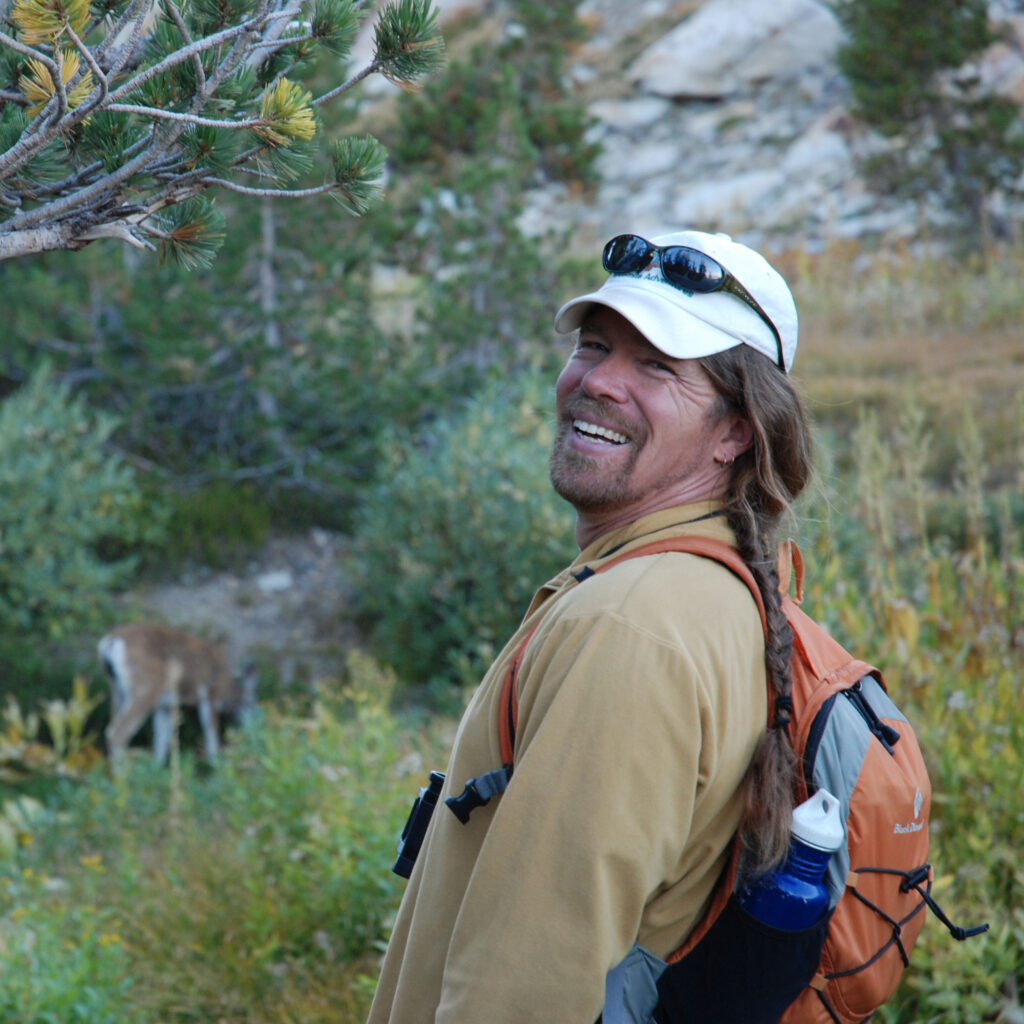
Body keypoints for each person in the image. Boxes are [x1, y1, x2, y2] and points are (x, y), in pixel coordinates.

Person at [366, 229, 814, 1024]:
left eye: (656, 367)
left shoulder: (633, 627)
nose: (599, 382)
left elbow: (526, 991)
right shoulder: (714, 590)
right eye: (595, 345)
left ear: (736, 430)